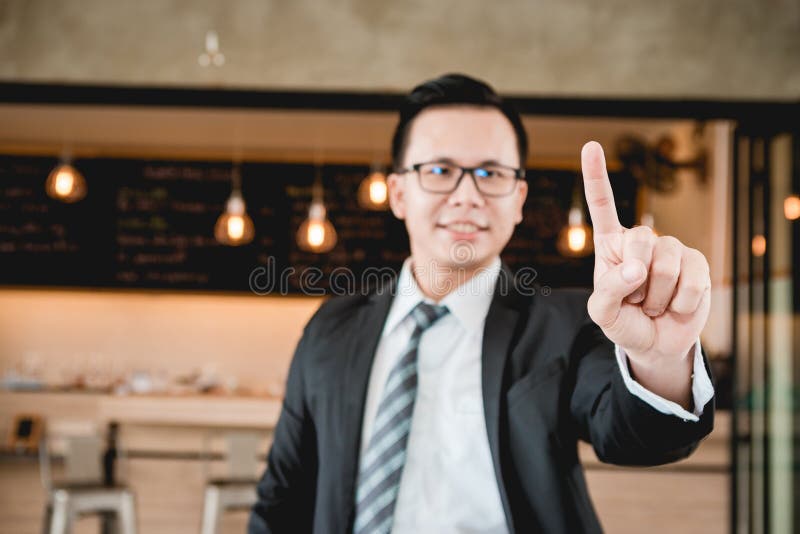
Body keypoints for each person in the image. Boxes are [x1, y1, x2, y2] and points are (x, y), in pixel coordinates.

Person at [248, 74, 715, 534]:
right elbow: (283, 499)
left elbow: (636, 438)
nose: (467, 197)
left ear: (519, 199)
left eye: (491, 174)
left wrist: (660, 362)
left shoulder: (564, 324)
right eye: (439, 171)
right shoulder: (332, 328)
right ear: (398, 194)